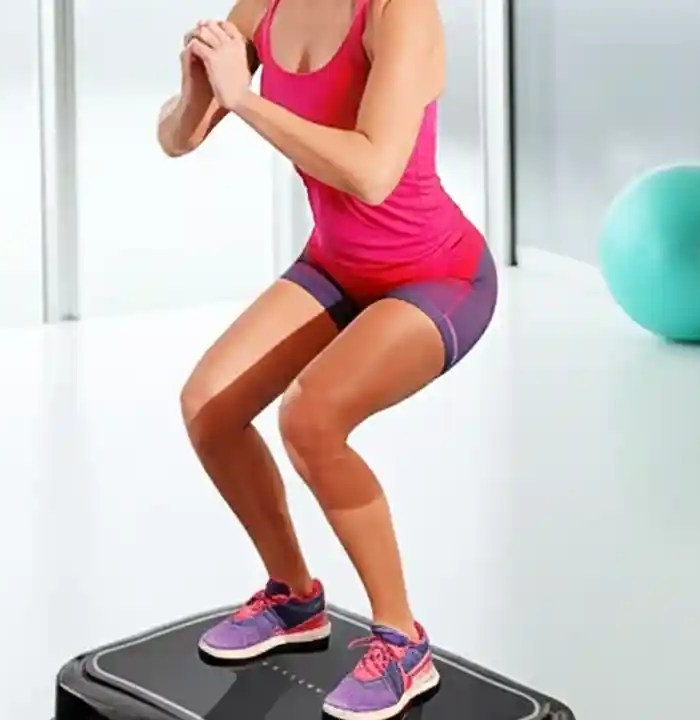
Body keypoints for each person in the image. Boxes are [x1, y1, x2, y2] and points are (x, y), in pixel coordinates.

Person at [157, 0, 496, 717]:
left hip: (439, 274)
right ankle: (294, 599)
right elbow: (177, 140)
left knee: (311, 419)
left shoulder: (401, 12)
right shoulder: (265, 6)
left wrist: (245, 98)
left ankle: (403, 642)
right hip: (337, 265)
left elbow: (372, 173)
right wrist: (196, 89)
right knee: (208, 407)